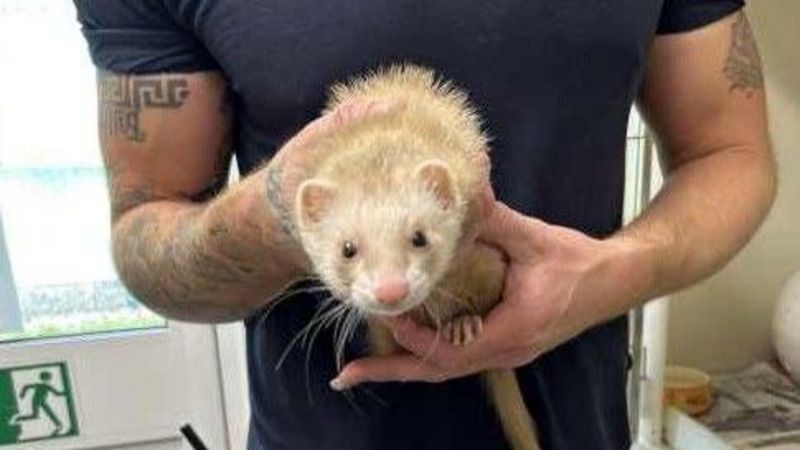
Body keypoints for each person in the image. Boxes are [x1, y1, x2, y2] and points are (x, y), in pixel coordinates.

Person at [72, 1, 775, 449]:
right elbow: (145, 228)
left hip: (585, 423)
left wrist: (618, 273)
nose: (386, 288)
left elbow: (732, 153)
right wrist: (270, 221)